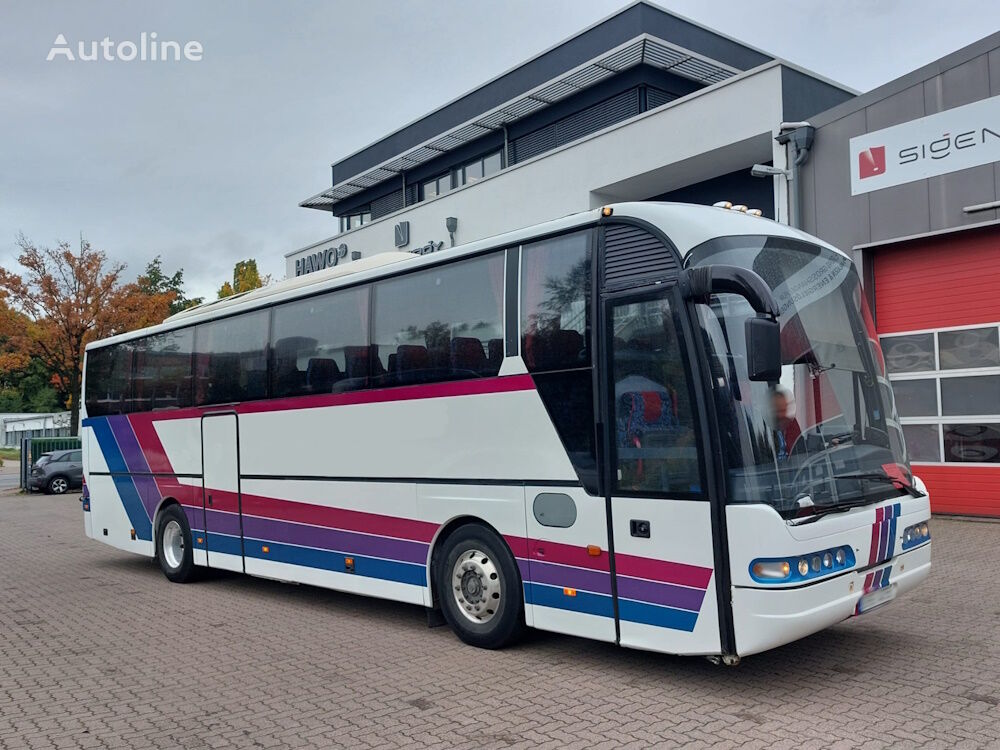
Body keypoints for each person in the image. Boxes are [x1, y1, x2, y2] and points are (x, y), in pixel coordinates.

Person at [771, 385, 802, 460]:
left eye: (784, 406)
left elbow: (800, 445)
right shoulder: (764, 427)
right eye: (778, 406)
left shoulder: (791, 423)